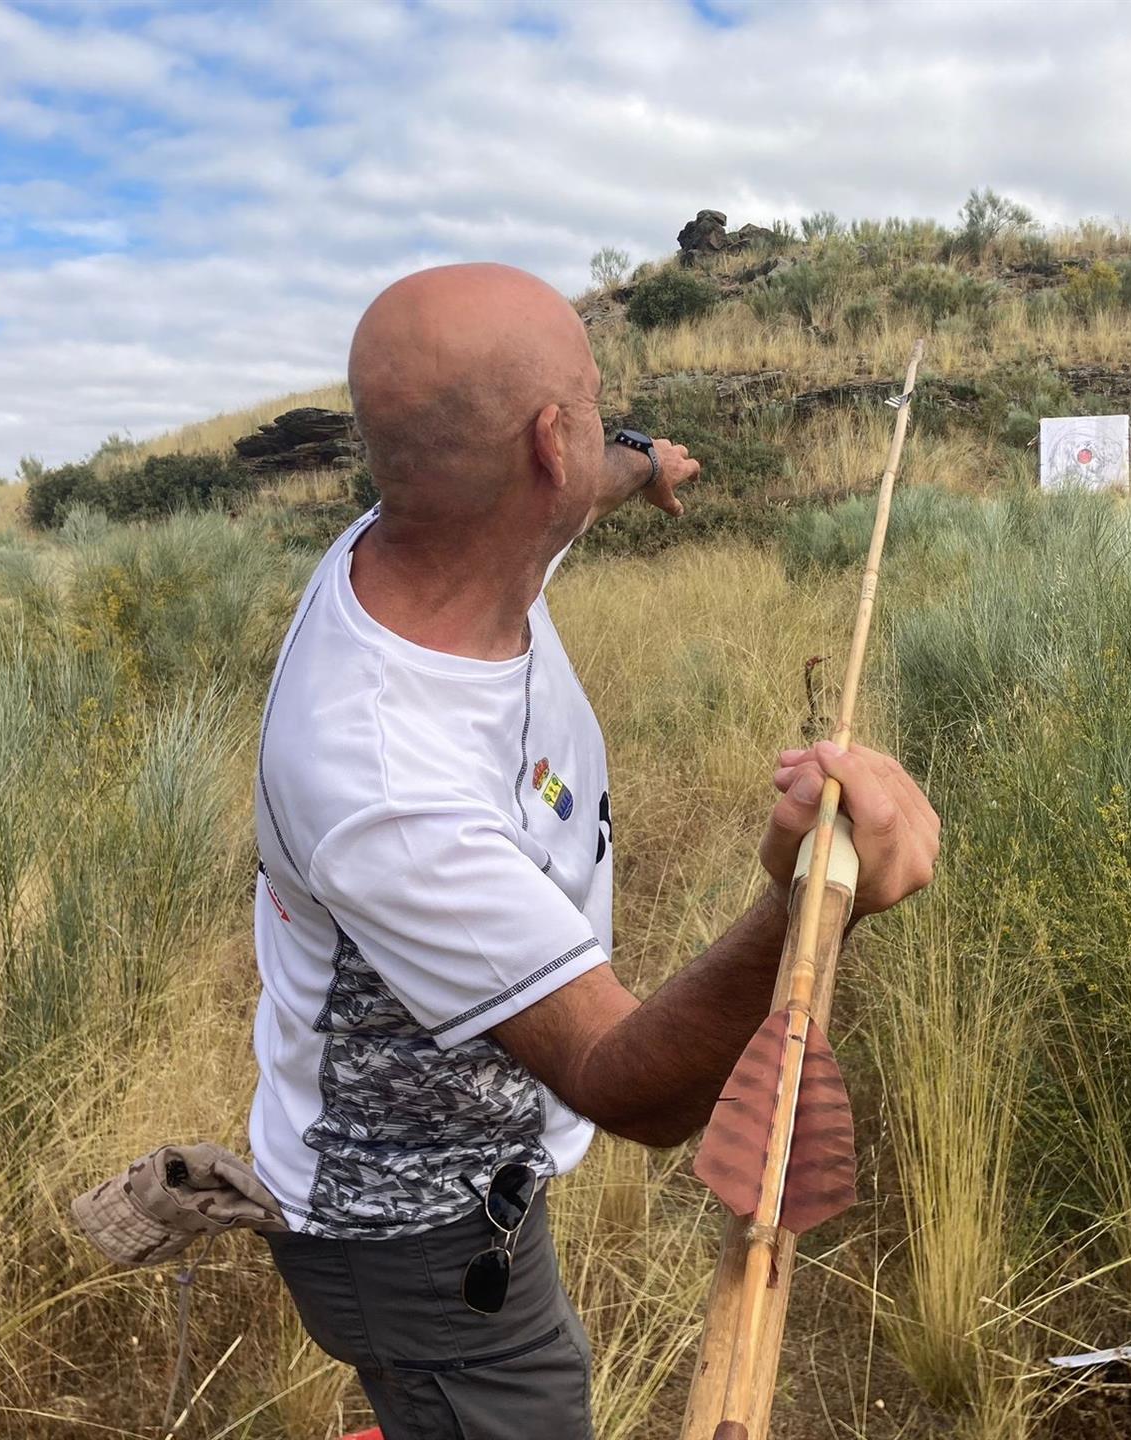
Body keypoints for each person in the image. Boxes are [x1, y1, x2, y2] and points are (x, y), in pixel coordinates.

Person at [248, 263, 940, 1438]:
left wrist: (644, 462)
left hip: (480, 1181)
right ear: (546, 447)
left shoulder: (445, 533)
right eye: (594, 399)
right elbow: (623, 1081)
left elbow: (577, 487)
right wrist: (818, 901)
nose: (603, 422)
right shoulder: (383, 783)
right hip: (418, 1237)